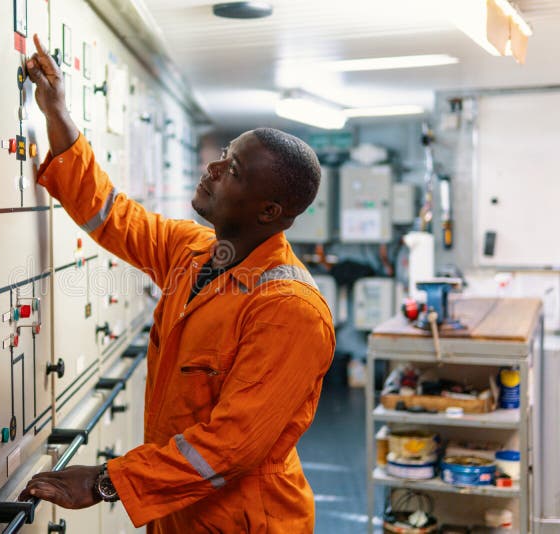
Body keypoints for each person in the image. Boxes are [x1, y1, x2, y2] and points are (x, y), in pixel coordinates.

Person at [18, 34, 335, 533]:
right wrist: (57, 113)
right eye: (224, 154)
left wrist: (105, 482)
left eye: (231, 169)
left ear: (269, 211)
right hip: (180, 510)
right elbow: (111, 215)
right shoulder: (194, 252)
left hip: (245, 521)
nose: (211, 169)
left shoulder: (289, 310)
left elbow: (230, 446)